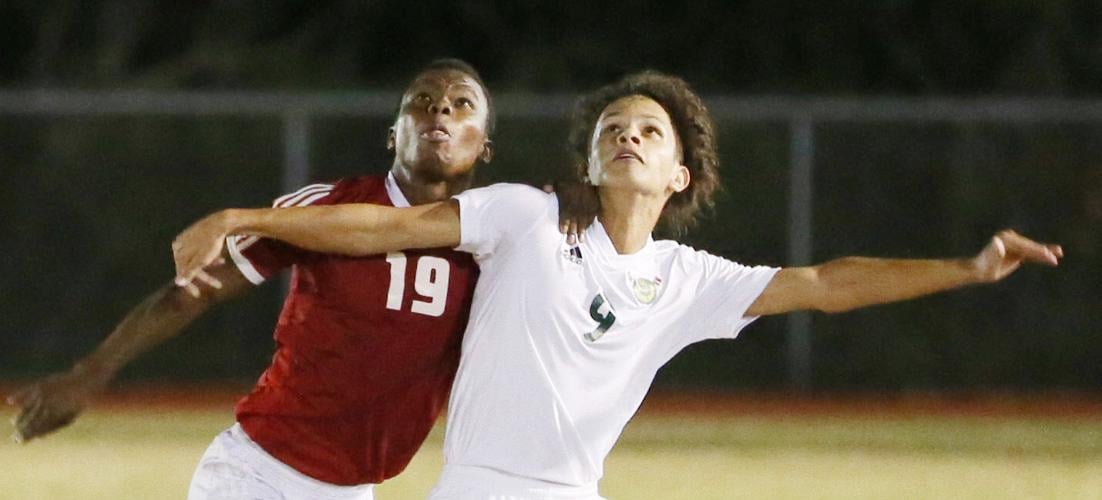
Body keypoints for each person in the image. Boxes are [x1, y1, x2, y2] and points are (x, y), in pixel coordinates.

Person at [170, 71, 1063, 499]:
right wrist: (248, 216)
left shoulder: (686, 280)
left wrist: (968, 268)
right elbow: (385, 227)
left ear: (680, 176)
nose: (627, 136)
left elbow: (826, 283)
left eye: (648, 131)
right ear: (590, 158)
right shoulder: (523, 217)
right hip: (478, 488)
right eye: (612, 127)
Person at [9, 58, 498, 500]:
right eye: (424, 102)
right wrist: (90, 372)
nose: (441, 113)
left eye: (461, 105)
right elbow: (193, 293)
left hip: (353, 490)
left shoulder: (496, 238)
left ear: (486, 147)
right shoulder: (330, 206)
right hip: (261, 476)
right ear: (394, 134)